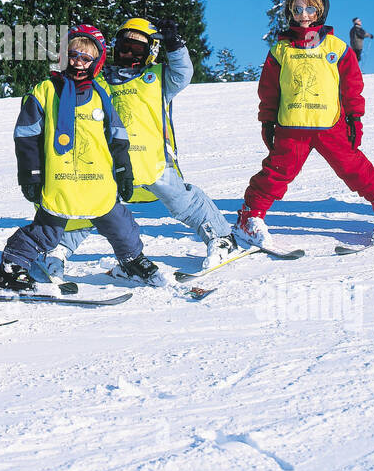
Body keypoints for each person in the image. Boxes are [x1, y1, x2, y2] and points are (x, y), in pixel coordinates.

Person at [30, 16, 238, 282]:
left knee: (182, 202)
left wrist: (174, 45)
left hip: (153, 162)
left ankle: (221, 237)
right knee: (91, 206)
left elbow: (183, 73)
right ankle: (56, 252)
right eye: (123, 47)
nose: (128, 54)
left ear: (150, 52)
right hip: (112, 165)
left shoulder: (159, 77)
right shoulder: (101, 81)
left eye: (136, 49)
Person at [235, 0, 374, 251]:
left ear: (320, 12)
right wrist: (267, 121)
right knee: (276, 173)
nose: (303, 14)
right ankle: (250, 218)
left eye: (310, 8)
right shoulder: (280, 50)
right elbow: (269, 90)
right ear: (289, 12)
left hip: (331, 126)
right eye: (297, 9)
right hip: (291, 127)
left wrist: (355, 119)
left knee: (355, 170)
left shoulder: (336, 48)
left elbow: (352, 88)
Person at [0, 25, 160, 289]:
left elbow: (117, 137)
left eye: (86, 58)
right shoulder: (45, 90)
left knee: (122, 226)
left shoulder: (101, 95)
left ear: (97, 61)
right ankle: (12, 266)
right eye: (73, 55)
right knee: (46, 232)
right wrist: (30, 174)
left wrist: (124, 171)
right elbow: (26, 135)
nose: (78, 62)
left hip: (98, 183)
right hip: (61, 181)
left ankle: (132, 260)